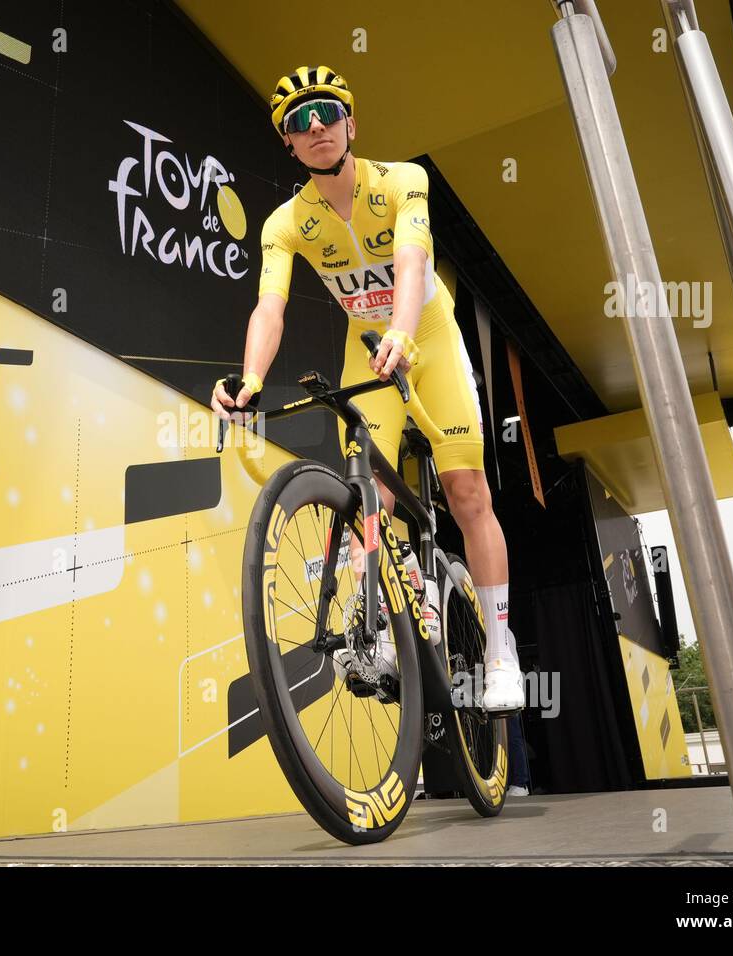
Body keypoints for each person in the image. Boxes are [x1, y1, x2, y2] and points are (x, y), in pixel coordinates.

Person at [210, 65, 522, 711]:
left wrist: (403, 336)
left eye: (326, 112)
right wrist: (250, 380)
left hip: (427, 339)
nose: (315, 125)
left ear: (351, 124)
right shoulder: (286, 222)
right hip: (365, 348)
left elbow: (411, 261)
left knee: (467, 491)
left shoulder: (403, 180)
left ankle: (499, 650)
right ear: (289, 145)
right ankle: (377, 622)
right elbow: (270, 307)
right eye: (299, 122)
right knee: (365, 489)